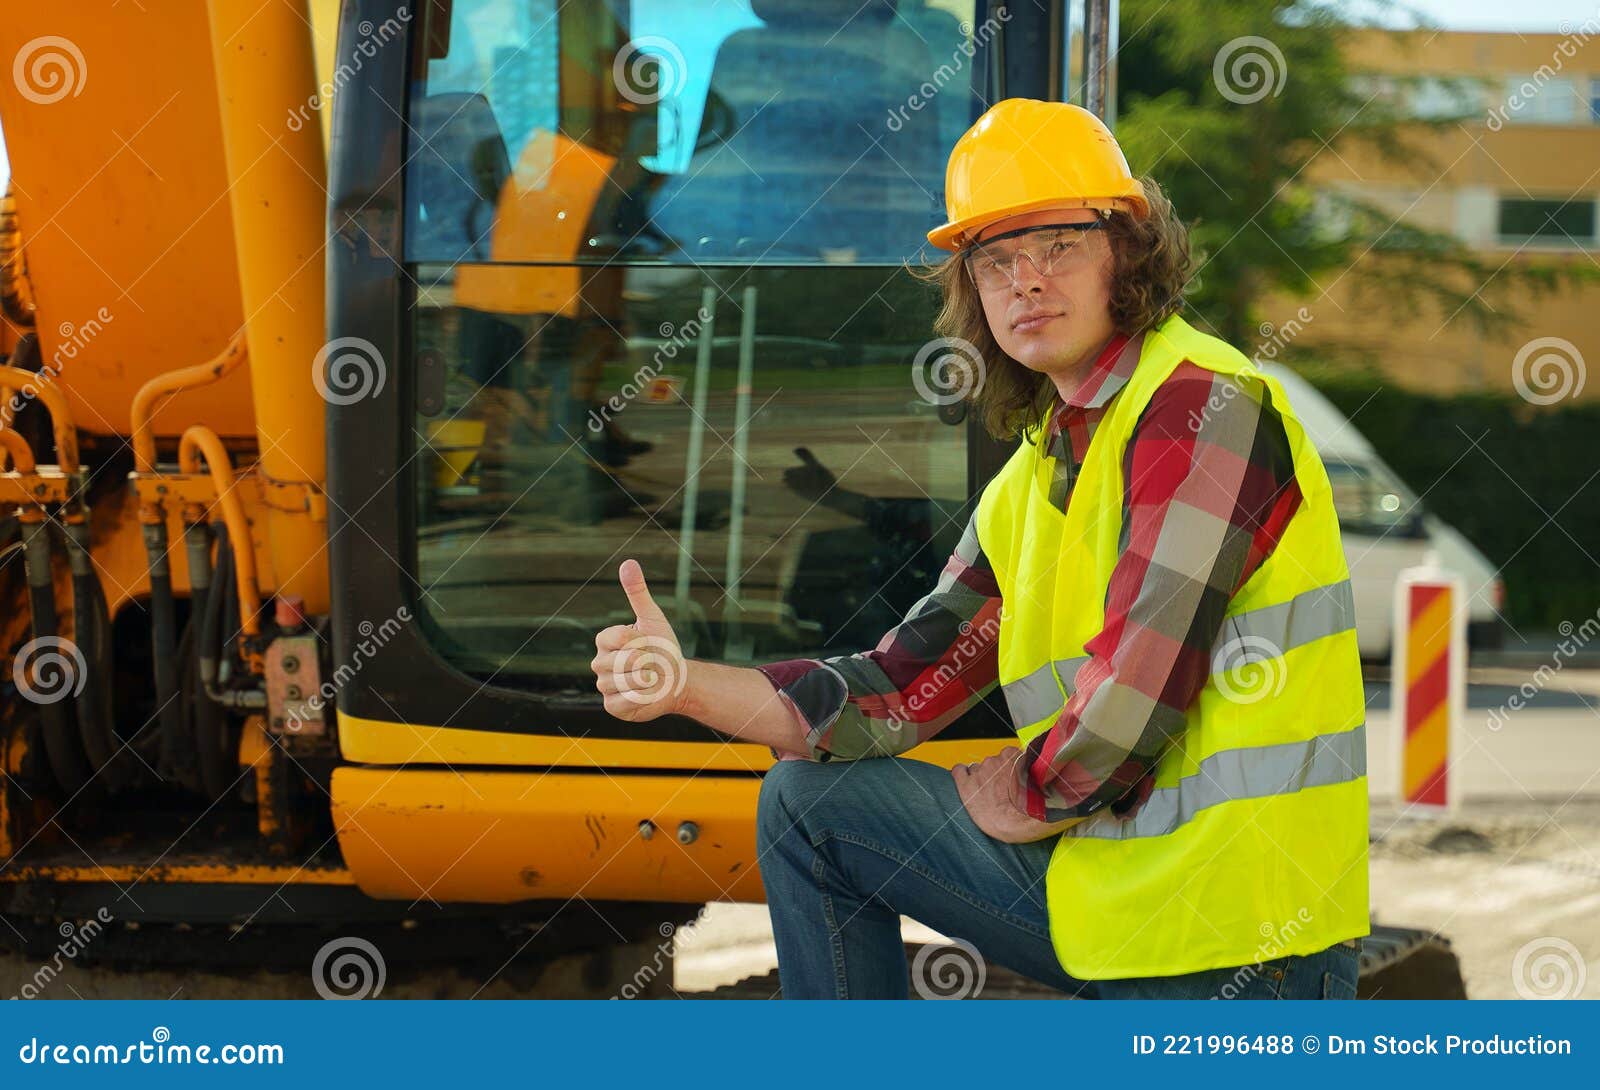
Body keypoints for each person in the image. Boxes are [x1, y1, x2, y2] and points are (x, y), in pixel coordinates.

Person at [590, 98, 1368, 999]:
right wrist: (685, 685)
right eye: (995, 260)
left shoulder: (1204, 407)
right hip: (1109, 899)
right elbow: (897, 687)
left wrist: (1022, 792)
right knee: (810, 804)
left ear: (1131, 250)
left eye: (1058, 245)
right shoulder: (1033, 479)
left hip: (1243, 939)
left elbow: (1143, 683)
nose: (1025, 281)